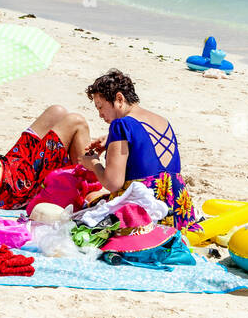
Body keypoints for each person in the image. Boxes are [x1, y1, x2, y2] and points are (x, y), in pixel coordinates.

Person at [83, 69, 199, 231]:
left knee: (90, 199)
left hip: (146, 214)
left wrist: (93, 163)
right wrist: (110, 141)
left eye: (100, 107)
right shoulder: (162, 121)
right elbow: (145, 148)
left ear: (119, 99)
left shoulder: (120, 125)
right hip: (178, 213)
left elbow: (112, 183)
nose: (100, 115)